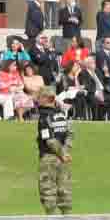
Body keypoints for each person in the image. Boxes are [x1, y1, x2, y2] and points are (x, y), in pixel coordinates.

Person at [32, 80, 74, 213]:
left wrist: (61, 153)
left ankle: (51, 219)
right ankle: (68, 216)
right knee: (64, 190)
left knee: (48, 190)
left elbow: (49, 140)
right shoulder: (61, 114)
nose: (37, 100)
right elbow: (70, 133)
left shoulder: (44, 117)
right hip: (63, 159)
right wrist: (65, 152)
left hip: (49, 158)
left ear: (46, 98)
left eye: (39, 97)